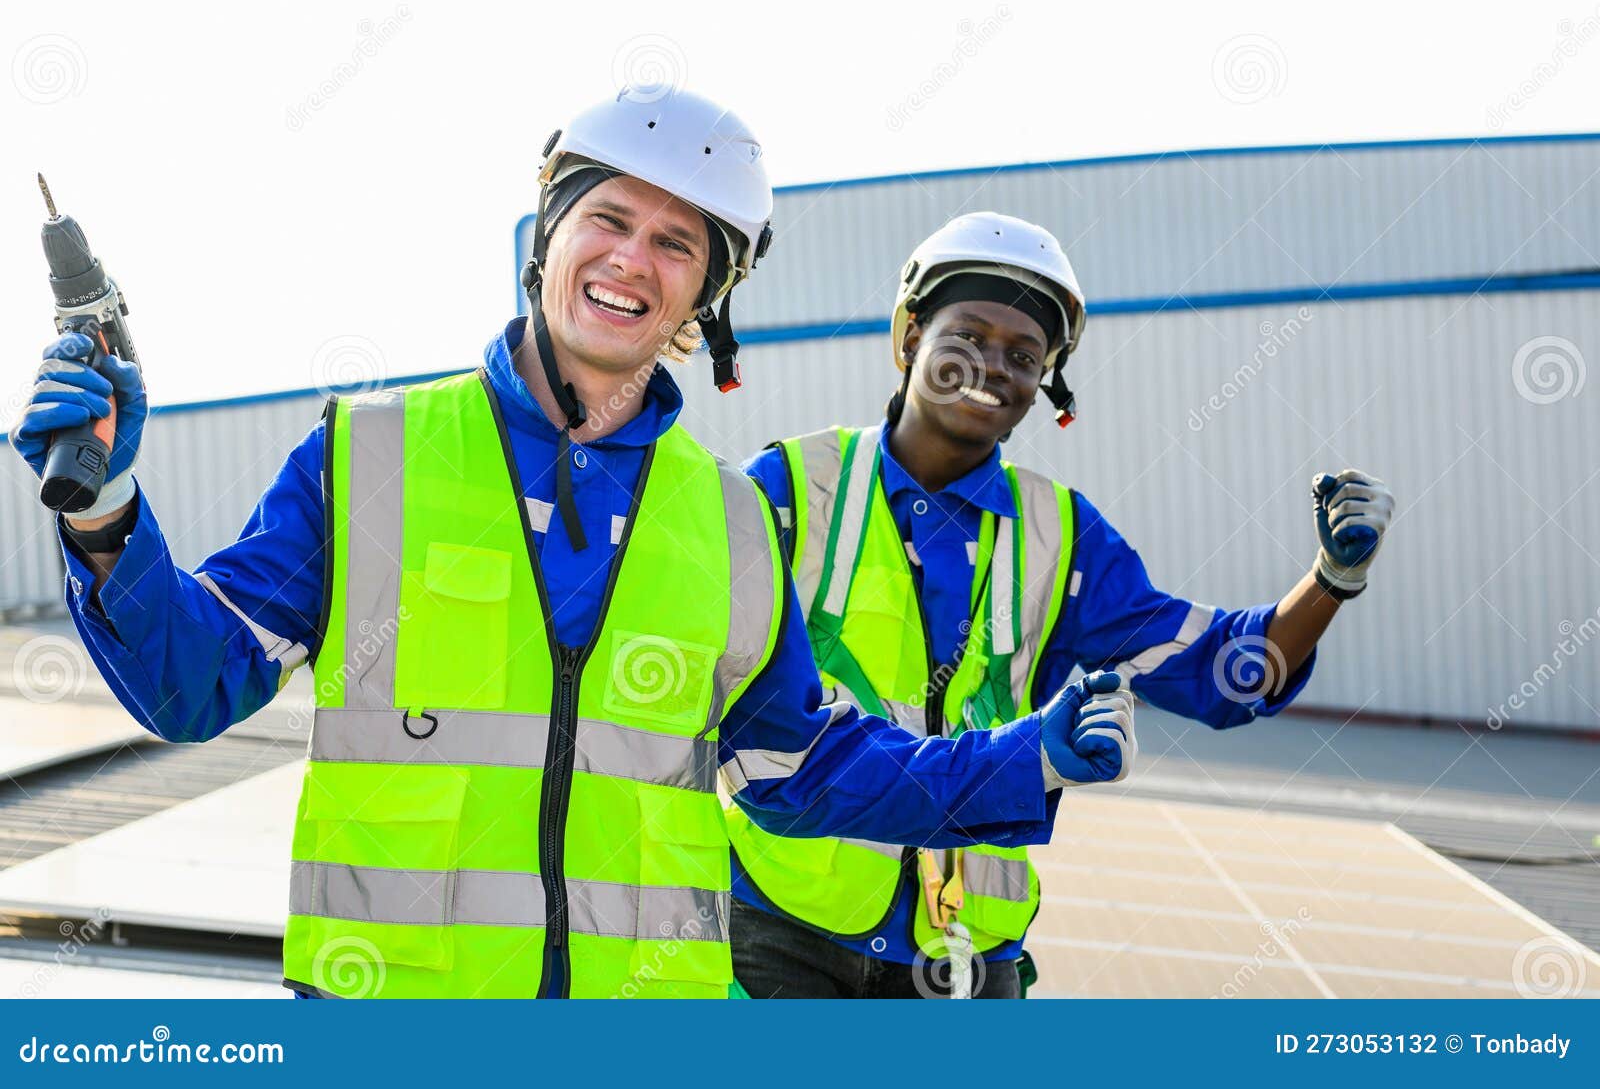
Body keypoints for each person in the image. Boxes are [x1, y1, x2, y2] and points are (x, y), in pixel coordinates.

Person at [9, 95, 1138, 1000]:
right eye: (608, 220)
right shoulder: (370, 455)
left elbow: (806, 773)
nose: (632, 262)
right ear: (550, 233)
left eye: (676, 243)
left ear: (708, 292)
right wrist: (105, 515)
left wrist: (1020, 757)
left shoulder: (731, 517)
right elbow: (194, 683)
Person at [731, 211, 1395, 999]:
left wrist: (1330, 580)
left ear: (1046, 379)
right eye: (968, 335)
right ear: (909, 335)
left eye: (1024, 354)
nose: (992, 366)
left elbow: (1226, 676)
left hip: (963, 957)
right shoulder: (785, 493)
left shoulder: (1066, 536)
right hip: (779, 931)